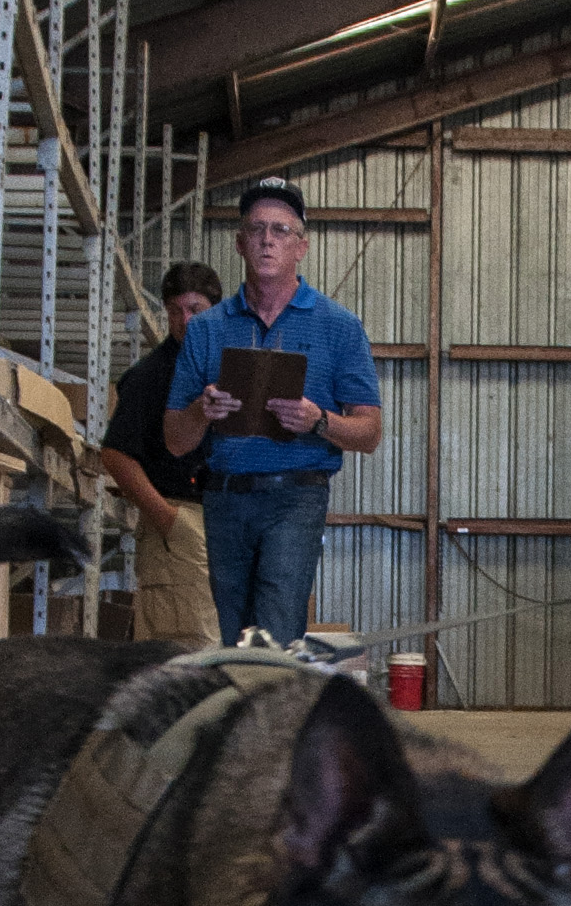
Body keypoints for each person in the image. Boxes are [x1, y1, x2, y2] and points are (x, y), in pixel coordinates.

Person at [163, 175, 383, 647]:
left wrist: (318, 421)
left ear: (301, 246)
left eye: (281, 230)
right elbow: (175, 439)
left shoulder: (339, 327)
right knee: (233, 637)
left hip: (295, 498)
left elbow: (369, 432)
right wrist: (202, 410)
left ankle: (274, 716)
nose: (268, 240)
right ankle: (249, 718)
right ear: (240, 243)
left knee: (275, 632)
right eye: (257, 229)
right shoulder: (206, 330)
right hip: (223, 499)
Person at [99, 261, 224, 645]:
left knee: (227, 651)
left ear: (216, 310)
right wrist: (169, 520)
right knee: (185, 652)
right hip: (181, 517)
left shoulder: (230, 366)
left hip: (229, 517)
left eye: (195, 309)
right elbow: (116, 455)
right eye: (175, 311)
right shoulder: (150, 376)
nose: (184, 320)